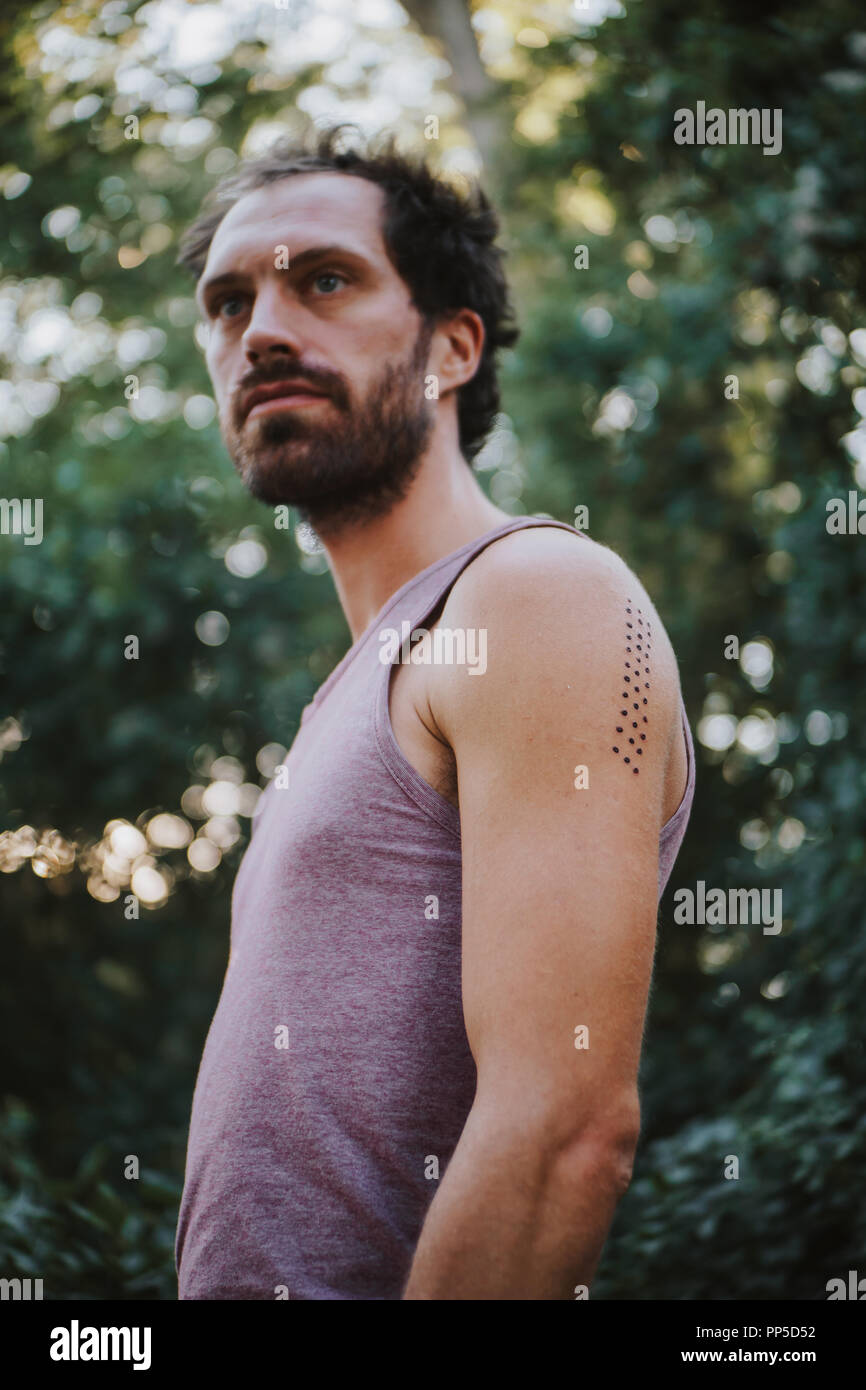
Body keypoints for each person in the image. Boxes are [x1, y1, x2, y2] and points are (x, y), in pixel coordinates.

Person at [173, 123, 694, 1300]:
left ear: (450, 346)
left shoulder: (534, 594)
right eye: (227, 302)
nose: (260, 331)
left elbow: (566, 1133)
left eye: (324, 279)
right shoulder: (350, 698)